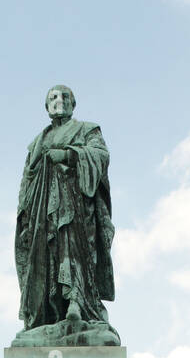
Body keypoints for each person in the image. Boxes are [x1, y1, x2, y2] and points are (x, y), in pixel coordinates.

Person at [15, 85, 116, 333]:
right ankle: (46, 314)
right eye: (53, 97)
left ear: (73, 103)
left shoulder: (87, 130)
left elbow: (100, 155)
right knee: (43, 257)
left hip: (74, 204)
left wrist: (69, 156)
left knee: (71, 249)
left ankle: (77, 303)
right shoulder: (36, 143)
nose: (59, 101)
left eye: (64, 97)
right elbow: (27, 178)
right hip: (41, 210)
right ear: (46, 106)